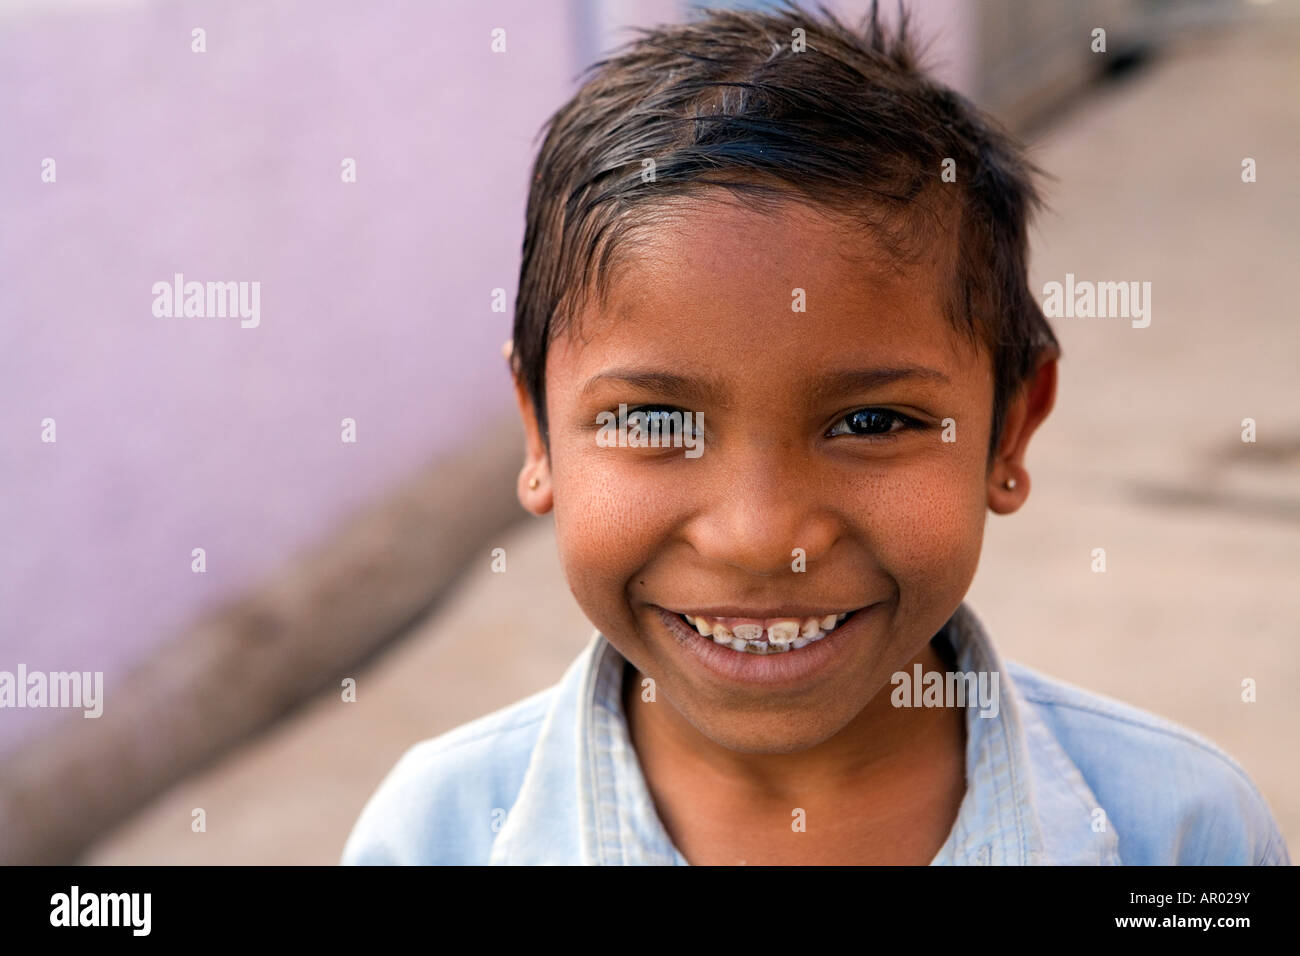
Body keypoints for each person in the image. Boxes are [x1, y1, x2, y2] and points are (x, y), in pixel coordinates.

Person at [342, 1, 1288, 865]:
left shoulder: (1176, 834)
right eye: (655, 420)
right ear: (539, 432)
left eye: (870, 422)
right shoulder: (436, 838)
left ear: (1011, 429)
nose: (762, 538)